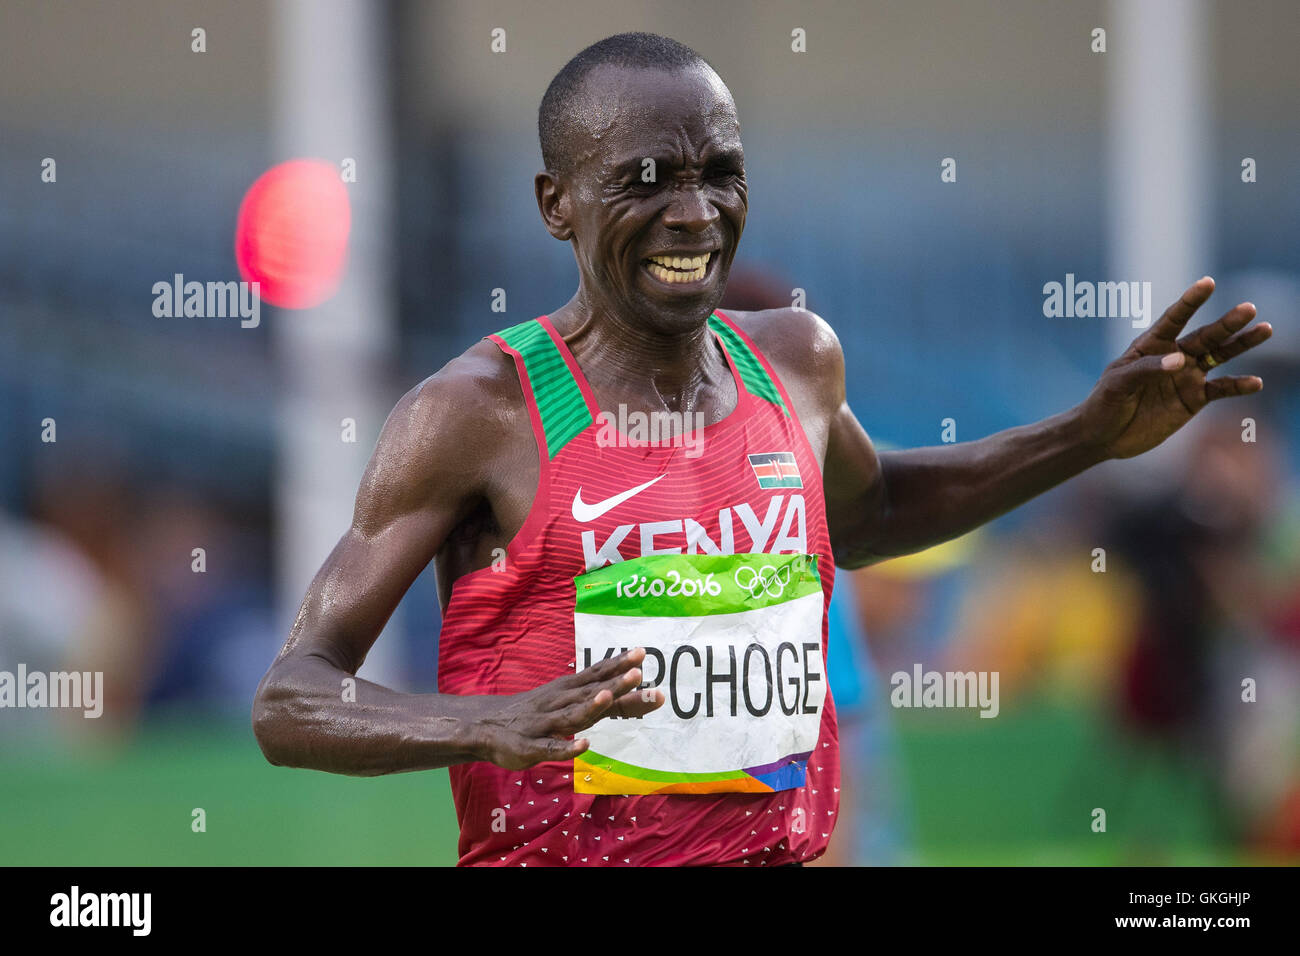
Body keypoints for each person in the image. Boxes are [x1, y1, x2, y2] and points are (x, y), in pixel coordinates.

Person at [252, 32, 1271, 866]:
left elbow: (871, 518)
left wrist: (1083, 435)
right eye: (647, 179)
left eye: (719, 174)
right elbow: (291, 696)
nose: (693, 213)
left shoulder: (794, 360)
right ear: (554, 201)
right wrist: (485, 724)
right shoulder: (480, 409)